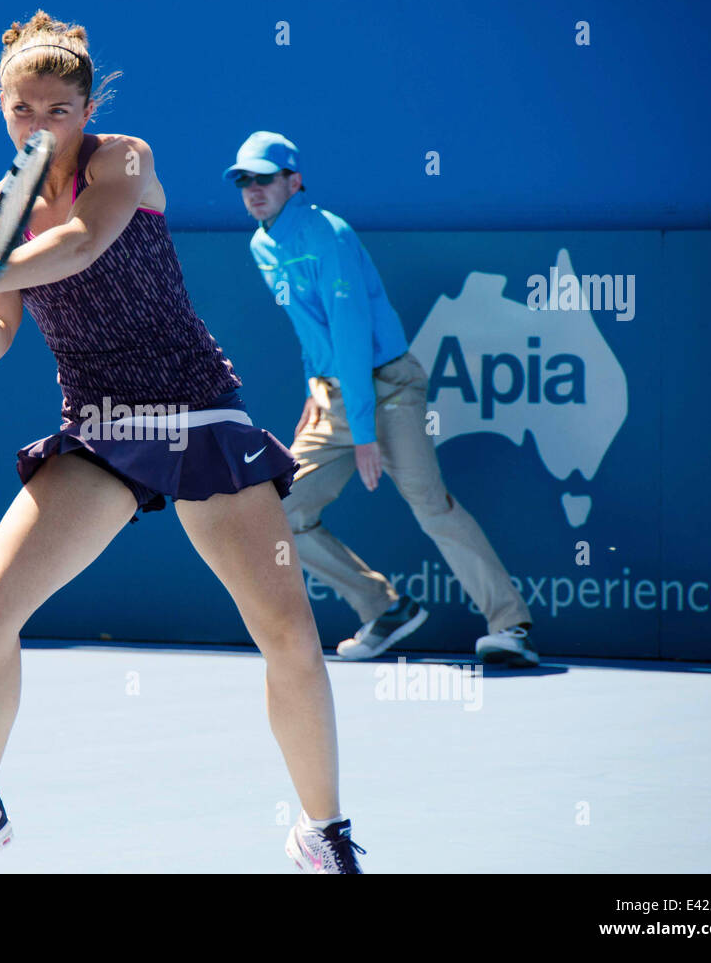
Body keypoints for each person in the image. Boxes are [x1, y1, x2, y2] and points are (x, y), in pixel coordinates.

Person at [0, 13, 364, 874]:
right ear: (1, 108)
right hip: (99, 427)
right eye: (22, 110)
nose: (40, 126)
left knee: (289, 634)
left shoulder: (124, 161)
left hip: (194, 408)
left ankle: (321, 832)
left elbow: (82, 243)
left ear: (86, 107)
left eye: (58, 110)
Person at [224, 131, 538, 667]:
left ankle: (511, 626)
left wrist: (364, 433)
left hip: (387, 390)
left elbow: (350, 331)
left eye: (264, 177)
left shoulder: (330, 235)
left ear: (293, 181)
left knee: (430, 505)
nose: (253, 189)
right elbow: (309, 326)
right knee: (282, 513)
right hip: (331, 395)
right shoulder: (261, 244)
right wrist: (313, 390)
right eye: (244, 180)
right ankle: (383, 608)